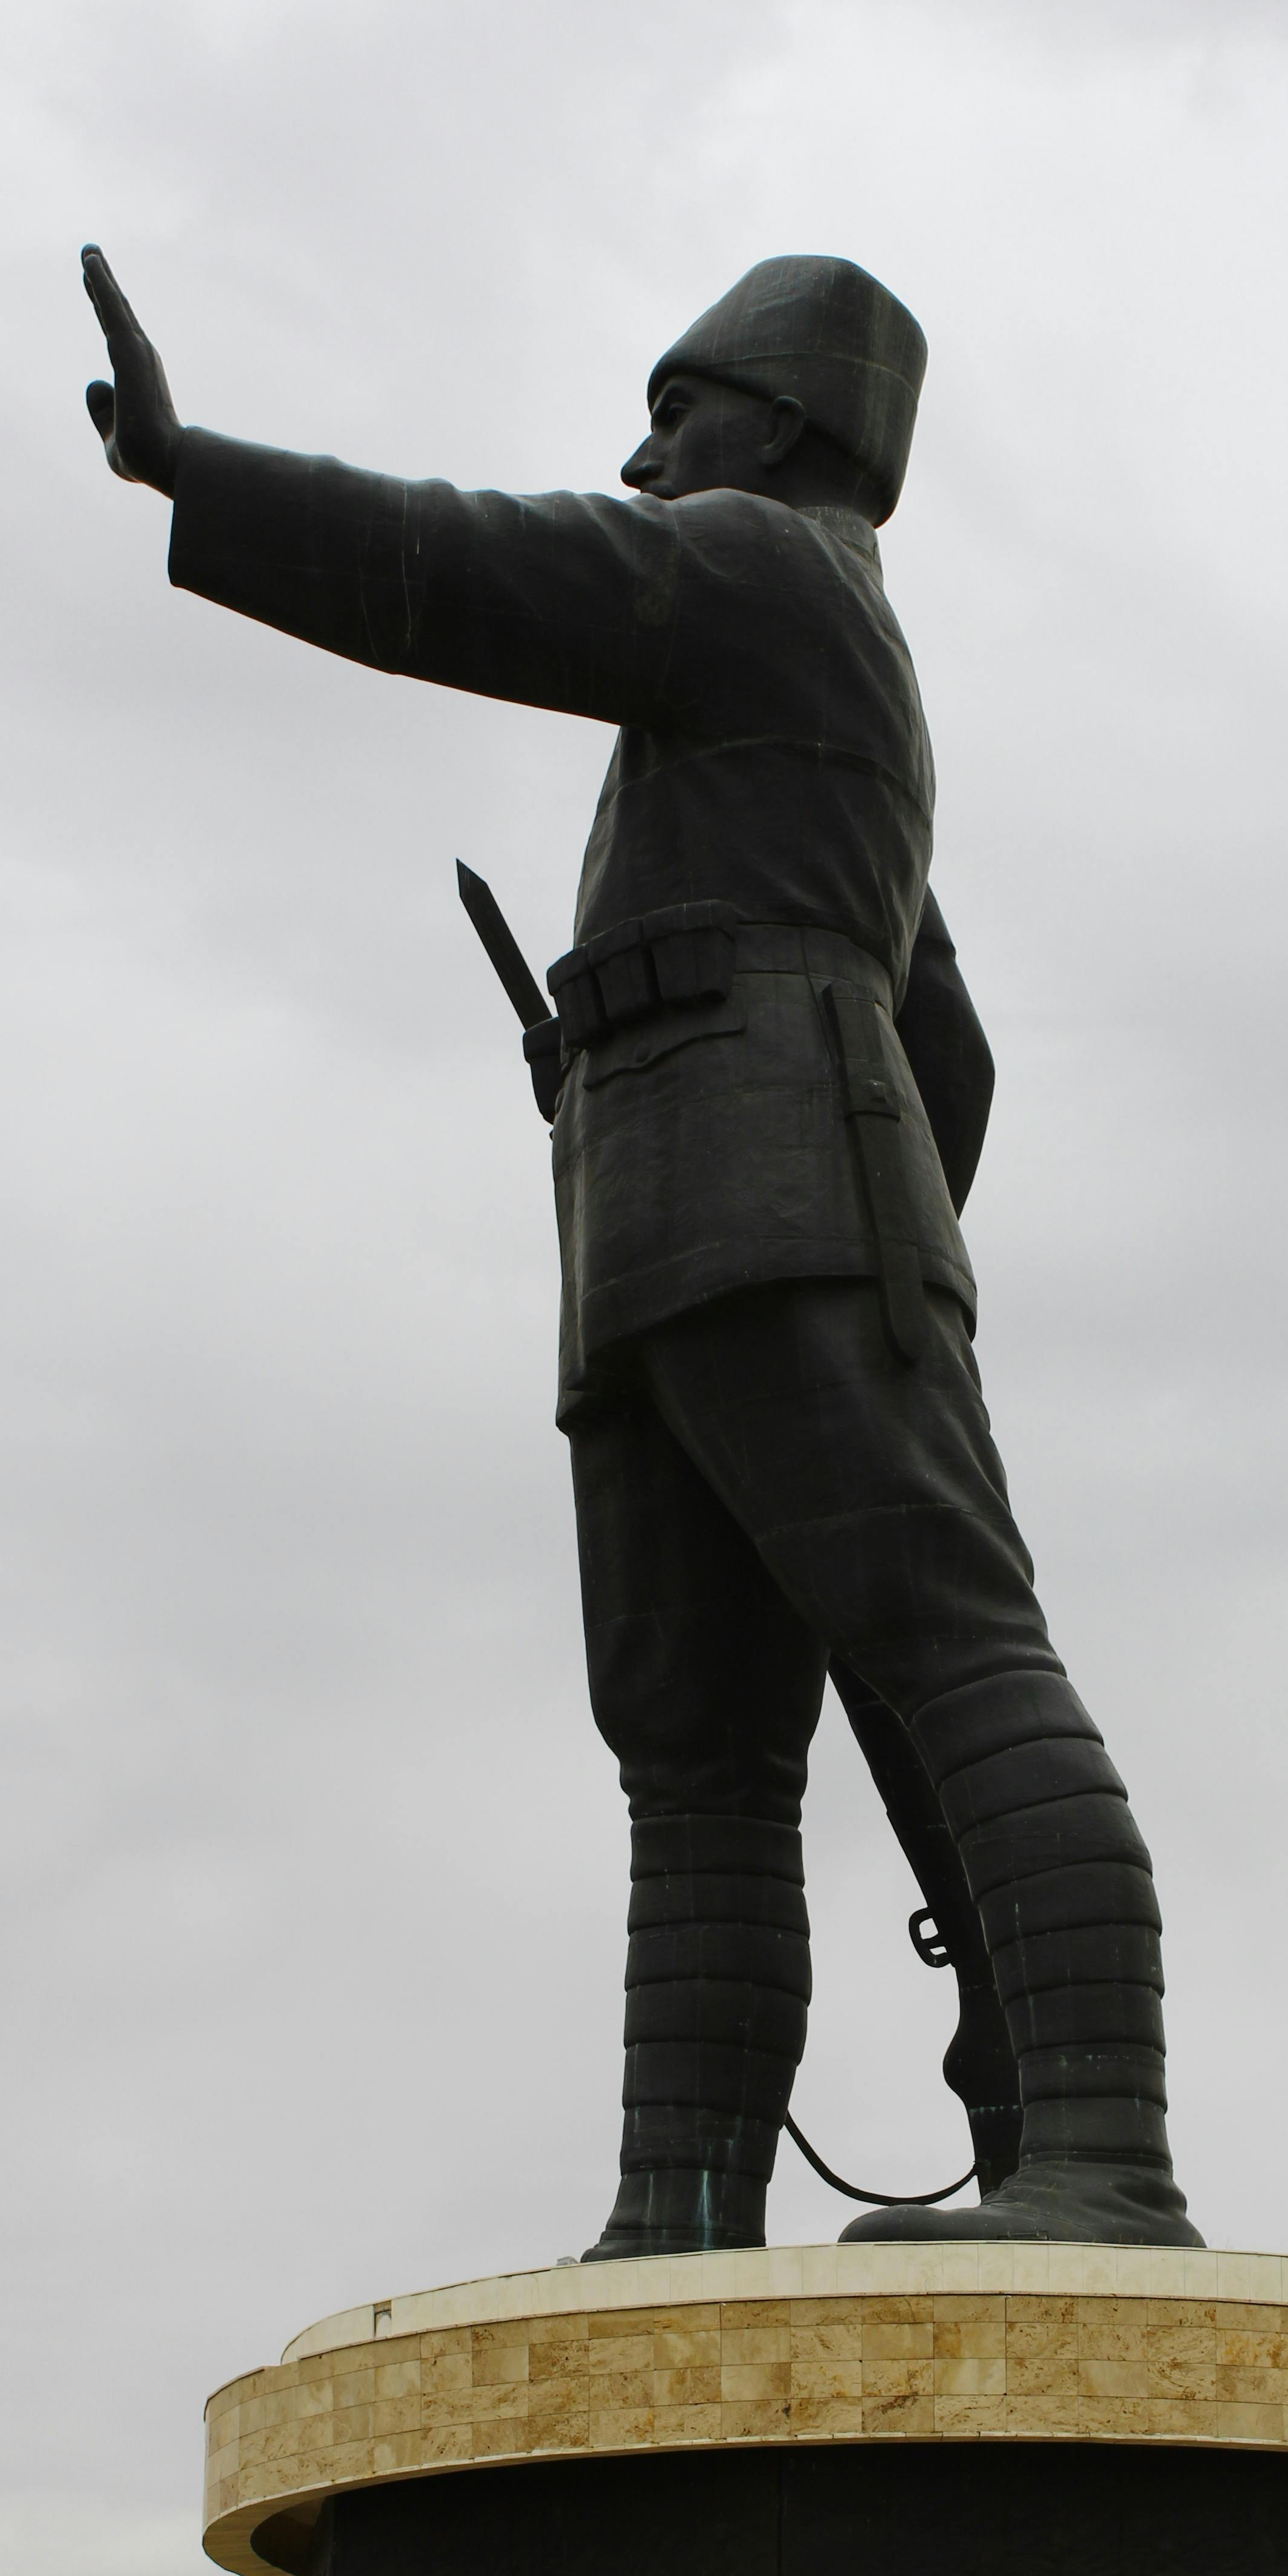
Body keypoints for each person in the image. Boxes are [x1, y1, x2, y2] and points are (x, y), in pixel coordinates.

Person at [80, 244, 1197, 2258]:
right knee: (693, 1746)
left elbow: (486, 563)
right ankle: (677, 2207)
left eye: (677, 409)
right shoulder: (786, 722)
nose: (643, 447)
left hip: (755, 1199)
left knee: (948, 1656)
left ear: (779, 424)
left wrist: (197, 473)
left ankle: (1106, 2158)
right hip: (667, 1206)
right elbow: (949, 1044)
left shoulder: (772, 567)